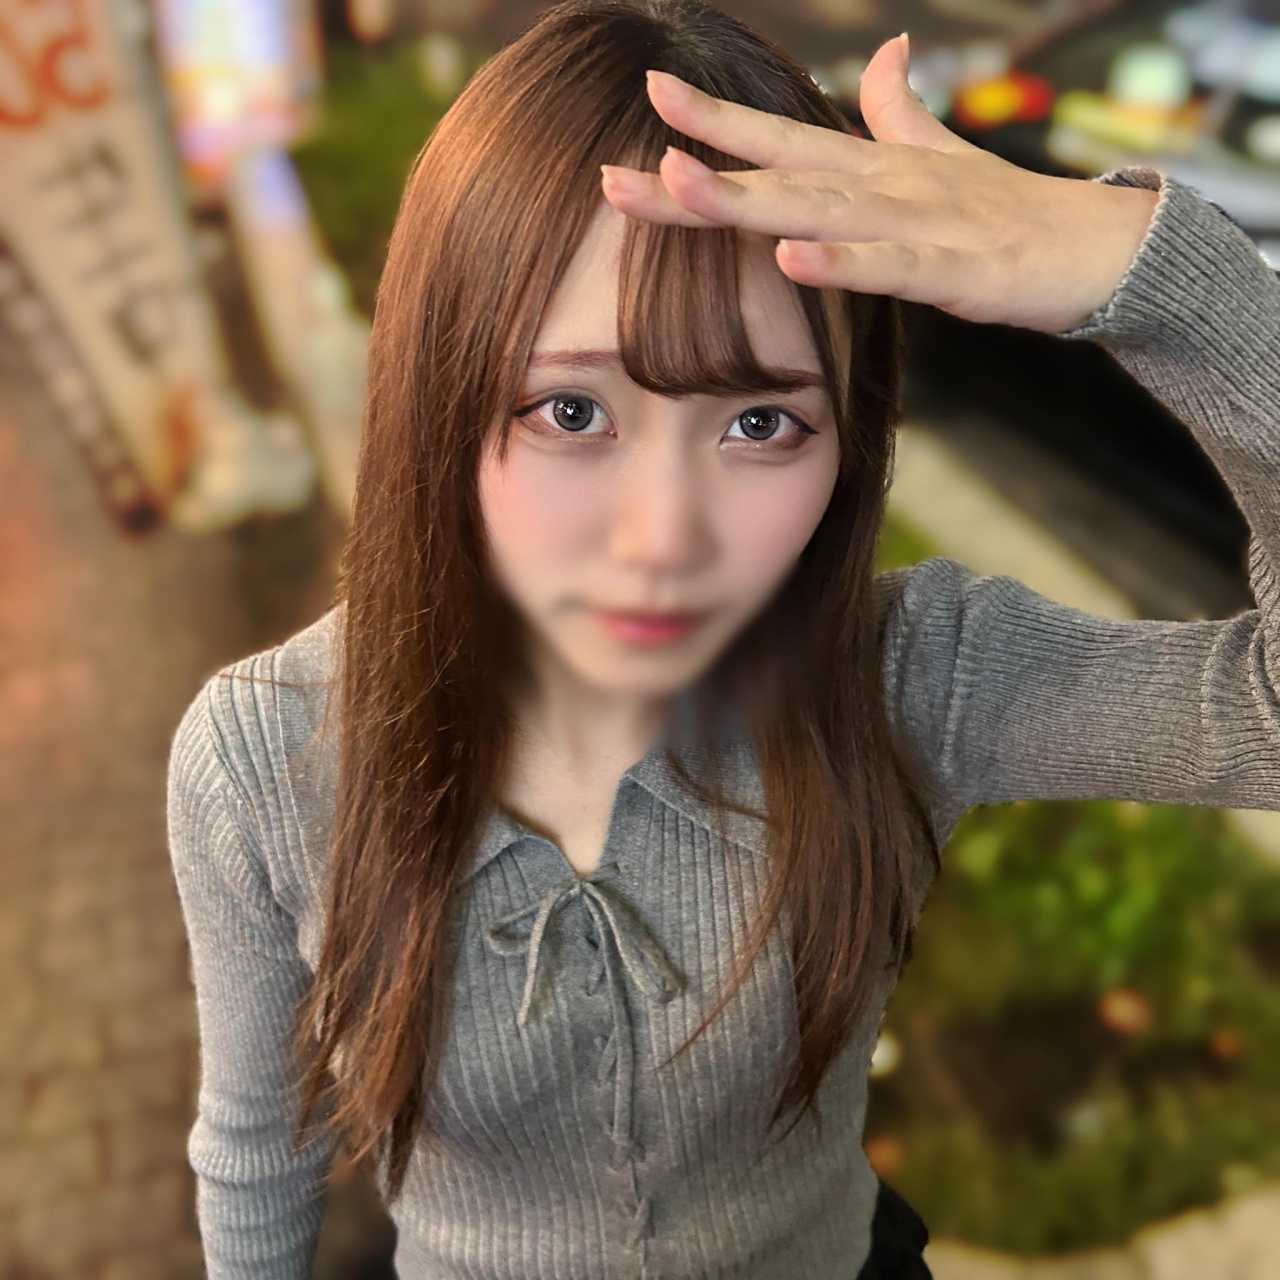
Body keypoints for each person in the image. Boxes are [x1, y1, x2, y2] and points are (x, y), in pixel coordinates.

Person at [164, 1, 1280, 1276]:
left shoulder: (900, 675)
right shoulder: (265, 755)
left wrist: (1152, 273)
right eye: (569, 409)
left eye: (759, 425)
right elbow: (257, 1148)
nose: (662, 540)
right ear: (439, 388)